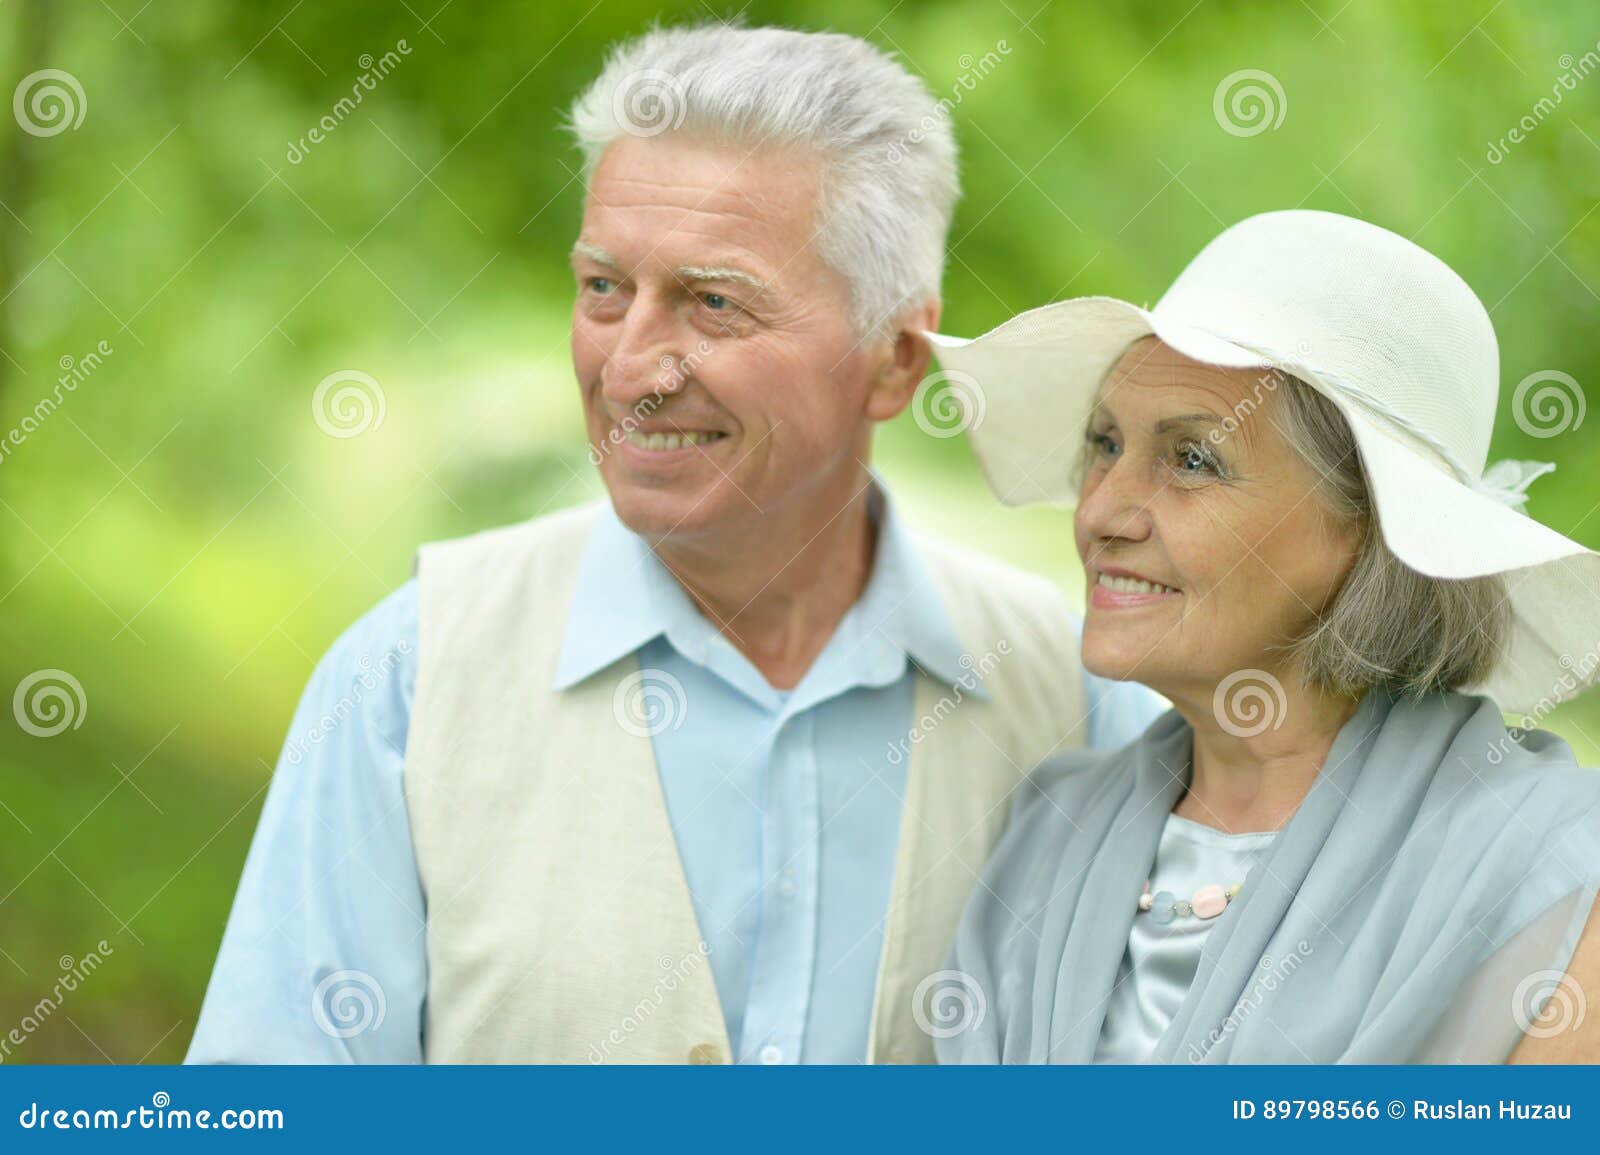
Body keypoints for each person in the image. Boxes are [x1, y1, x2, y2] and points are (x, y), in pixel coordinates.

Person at [185, 24, 1162, 1066]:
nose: (628, 372)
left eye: (713, 302)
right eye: (604, 289)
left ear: (893, 360)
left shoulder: (1080, 707)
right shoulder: (408, 681)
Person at [927, 209, 1600, 1063]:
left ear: (1369, 528)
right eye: (1106, 443)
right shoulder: (1049, 830)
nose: (1099, 511)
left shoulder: (1553, 881)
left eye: (1192, 459)